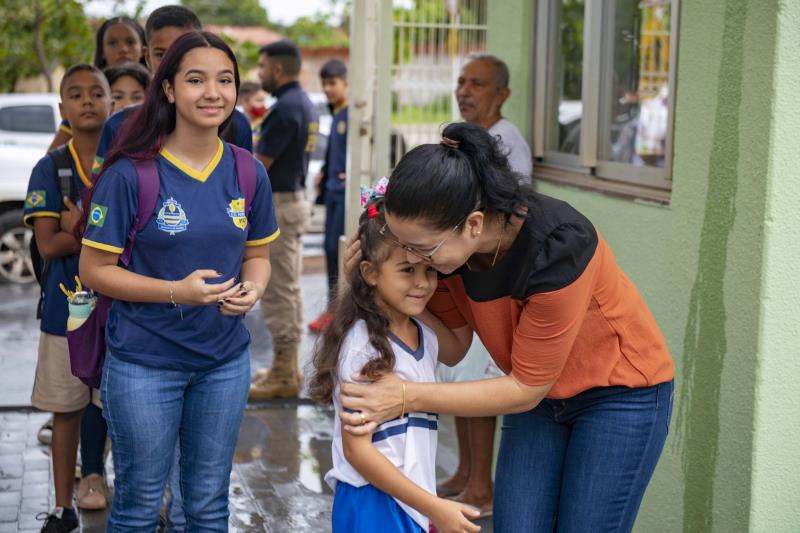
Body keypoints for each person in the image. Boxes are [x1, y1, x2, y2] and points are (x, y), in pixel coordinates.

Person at [340, 122, 675, 532]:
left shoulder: (559, 245)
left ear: (474, 225)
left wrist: (407, 396)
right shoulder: (440, 255)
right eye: (404, 246)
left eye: (421, 250)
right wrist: (378, 285)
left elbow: (525, 388)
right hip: (539, 397)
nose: (417, 262)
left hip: (619, 395)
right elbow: (454, 348)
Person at [79, 31, 278, 530]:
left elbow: (258, 256)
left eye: (224, 80)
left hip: (224, 364)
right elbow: (94, 271)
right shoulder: (130, 175)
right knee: (140, 506)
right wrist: (176, 292)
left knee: (209, 506)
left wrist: (253, 288)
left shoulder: (249, 172)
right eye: (196, 80)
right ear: (167, 89)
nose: (213, 92)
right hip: (144, 365)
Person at [309, 191, 480, 533]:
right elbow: (359, 453)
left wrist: (425, 507)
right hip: (372, 502)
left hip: (409, 500)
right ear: (370, 273)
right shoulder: (362, 347)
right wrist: (434, 507)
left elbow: (457, 348)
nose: (422, 283)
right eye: (407, 270)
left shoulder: (424, 335)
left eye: (429, 270)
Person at [435, 52, 535, 516]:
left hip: (488, 278)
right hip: (464, 275)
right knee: (460, 376)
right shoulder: (469, 139)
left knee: (478, 379)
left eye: (477, 84)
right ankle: (463, 474)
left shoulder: (504, 142)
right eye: (461, 81)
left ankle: (480, 487)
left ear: (502, 94)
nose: (465, 91)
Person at [24, 64, 111, 533]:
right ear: (63, 109)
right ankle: (63, 507)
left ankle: (135, 499)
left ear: (112, 103)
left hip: (120, 314)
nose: (87, 101)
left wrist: (76, 226)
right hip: (67, 313)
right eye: (75, 95)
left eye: (96, 93)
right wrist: (89, 232)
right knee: (67, 410)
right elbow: (48, 244)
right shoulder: (52, 165)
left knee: (119, 409)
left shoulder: (124, 161)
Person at [93, 5, 254, 171]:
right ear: (147, 57)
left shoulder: (236, 125)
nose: (171, 65)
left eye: (184, 54)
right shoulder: (120, 125)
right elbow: (101, 191)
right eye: (161, 55)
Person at [249, 39, 319, 400]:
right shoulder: (303, 104)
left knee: (278, 291)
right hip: (291, 200)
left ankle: (283, 372)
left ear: (277, 69)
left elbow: (260, 166)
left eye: (262, 67)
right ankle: (286, 368)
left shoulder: (284, 109)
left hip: (278, 204)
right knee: (288, 288)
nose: (260, 75)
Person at [47, 17, 147, 152]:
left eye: (130, 42)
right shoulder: (87, 100)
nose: (123, 49)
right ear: (102, 51)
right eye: (112, 43)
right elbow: (52, 159)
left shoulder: (161, 91)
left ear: (143, 49)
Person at [309, 59, 349, 334]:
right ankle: (333, 308)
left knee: (339, 251)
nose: (327, 89)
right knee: (329, 249)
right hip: (333, 191)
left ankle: (338, 310)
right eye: (324, 83)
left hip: (345, 193)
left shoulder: (353, 115)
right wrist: (324, 171)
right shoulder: (336, 115)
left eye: (333, 83)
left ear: (347, 83)